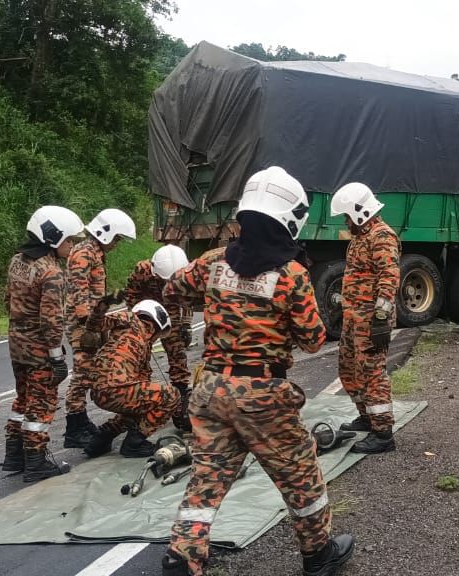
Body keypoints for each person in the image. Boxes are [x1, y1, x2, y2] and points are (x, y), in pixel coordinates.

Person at [161, 166, 352, 576]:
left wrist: (215, 305)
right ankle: (319, 554)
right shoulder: (291, 275)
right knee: (300, 474)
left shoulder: (213, 262)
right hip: (262, 394)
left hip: (211, 388)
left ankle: (183, 555)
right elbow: (314, 340)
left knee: (207, 475)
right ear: (288, 218)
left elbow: (172, 288)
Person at [5, 206, 83, 482]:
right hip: (39, 348)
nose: (72, 246)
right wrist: (56, 357)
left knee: (23, 398)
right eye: (69, 240)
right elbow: (51, 320)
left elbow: (8, 300)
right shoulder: (51, 273)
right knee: (41, 405)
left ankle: (13, 455)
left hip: (16, 343)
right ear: (53, 237)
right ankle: (36, 463)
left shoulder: (18, 261)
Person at [331, 182, 402, 454]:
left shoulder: (382, 236)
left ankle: (383, 434)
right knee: (348, 371)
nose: (346, 222)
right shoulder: (361, 236)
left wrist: (381, 318)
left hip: (371, 321)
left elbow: (389, 277)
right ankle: (367, 416)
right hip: (354, 318)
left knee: (372, 374)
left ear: (359, 211)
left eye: (347, 216)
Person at [64, 208, 137, 448]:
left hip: (92, 321)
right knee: (83, 372)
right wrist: (88, 326)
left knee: (89, 371)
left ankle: (80, 421)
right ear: (105, 233)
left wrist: (107, 302)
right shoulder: (84, 253)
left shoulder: (94, 253)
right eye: (116, 238)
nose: (116, 244)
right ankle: (74, 426)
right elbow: (78, 291)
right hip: (82, 323)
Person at [82, 299, 182, 457]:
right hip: (115, 388)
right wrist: (101, 307)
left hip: (99, 391)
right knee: (172, 395)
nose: (156, 338)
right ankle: (134, 444)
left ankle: (101, 439)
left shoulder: (141, 343)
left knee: (141, 404)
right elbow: (94, 325)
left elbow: (143, 390)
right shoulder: (130, 318)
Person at [124, 244, 193, 432]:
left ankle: (181, 393)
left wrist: (186, 324)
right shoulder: (142, 270)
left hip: (171, 311)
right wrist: (134, 321)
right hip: (147, 314)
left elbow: (188, 300)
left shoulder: (184, 275)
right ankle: (141, 394)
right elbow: (130, 295)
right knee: (140, 353)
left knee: (177, 352)